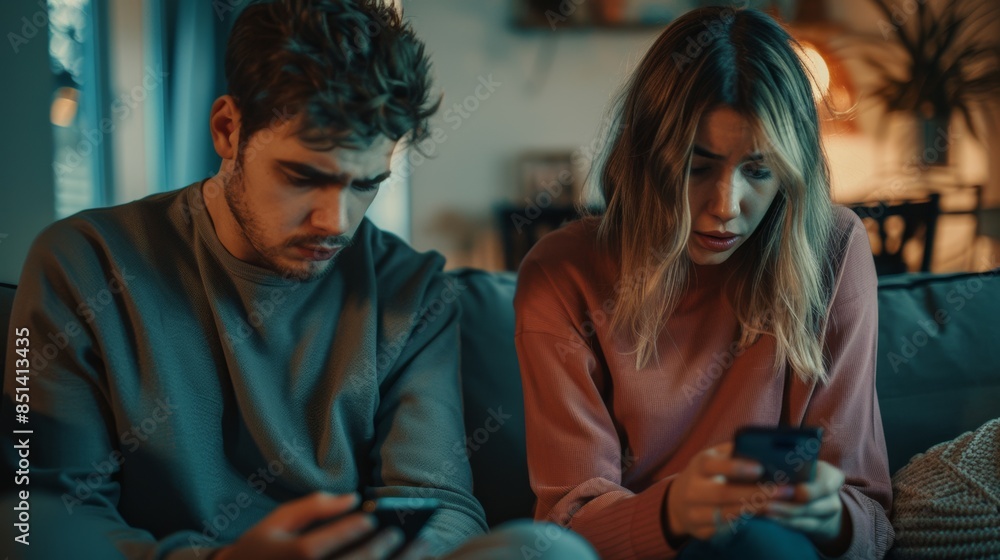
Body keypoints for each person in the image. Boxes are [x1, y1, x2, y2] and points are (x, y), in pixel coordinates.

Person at [0, 1, 596, 559]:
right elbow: (35, 515)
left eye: (366, 184)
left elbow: (439, 505)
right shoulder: (82, 262)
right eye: (304, 176)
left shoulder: (411, 291)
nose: (335, 222)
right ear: (228, 129)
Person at [514, 6, 894, 560]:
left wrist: (831, 516)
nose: (726, 206)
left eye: (758, 170)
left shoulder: (832, 250)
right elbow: (565, 530)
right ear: (647, 159)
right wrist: (674, 511)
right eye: (698, 167)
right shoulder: (561, 274)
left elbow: (871, 521)